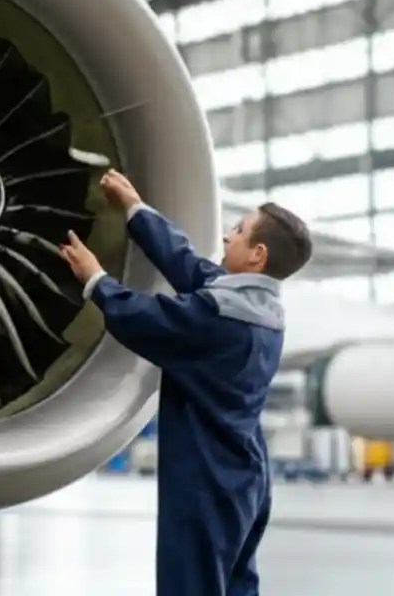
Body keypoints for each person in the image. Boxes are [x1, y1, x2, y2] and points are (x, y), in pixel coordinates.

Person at [59, 170, 312, 596]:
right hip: (247, 479)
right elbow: (188, 264)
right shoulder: (262, 308)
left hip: (205, 483)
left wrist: (95, 280)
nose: (228, 237)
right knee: (236, 585)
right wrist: (135, 208)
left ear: (258, 255)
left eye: (239, 231)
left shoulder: (220, 318)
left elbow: (145, 319)